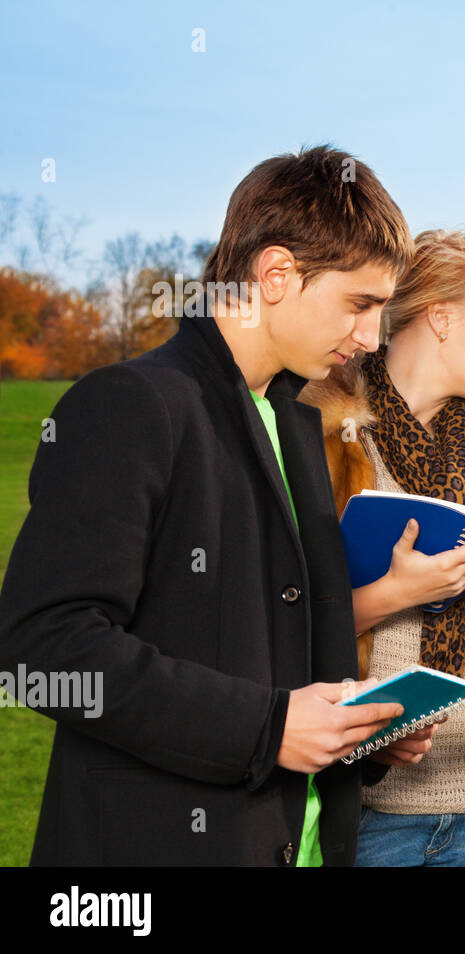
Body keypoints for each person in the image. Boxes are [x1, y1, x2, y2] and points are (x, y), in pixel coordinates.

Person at [0, 146, 420, 865]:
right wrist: (267, 727)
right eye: (360, 304)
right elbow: (44, 646)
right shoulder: (131, 405)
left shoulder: (294, 418)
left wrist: (359, 729)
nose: (370, 338)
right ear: (277, 273)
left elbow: (285, 650)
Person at [299, 229, 465, 866]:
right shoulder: (321, 438)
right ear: (439, 318)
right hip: (365, 811)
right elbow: (276, 628)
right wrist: (397, 595)